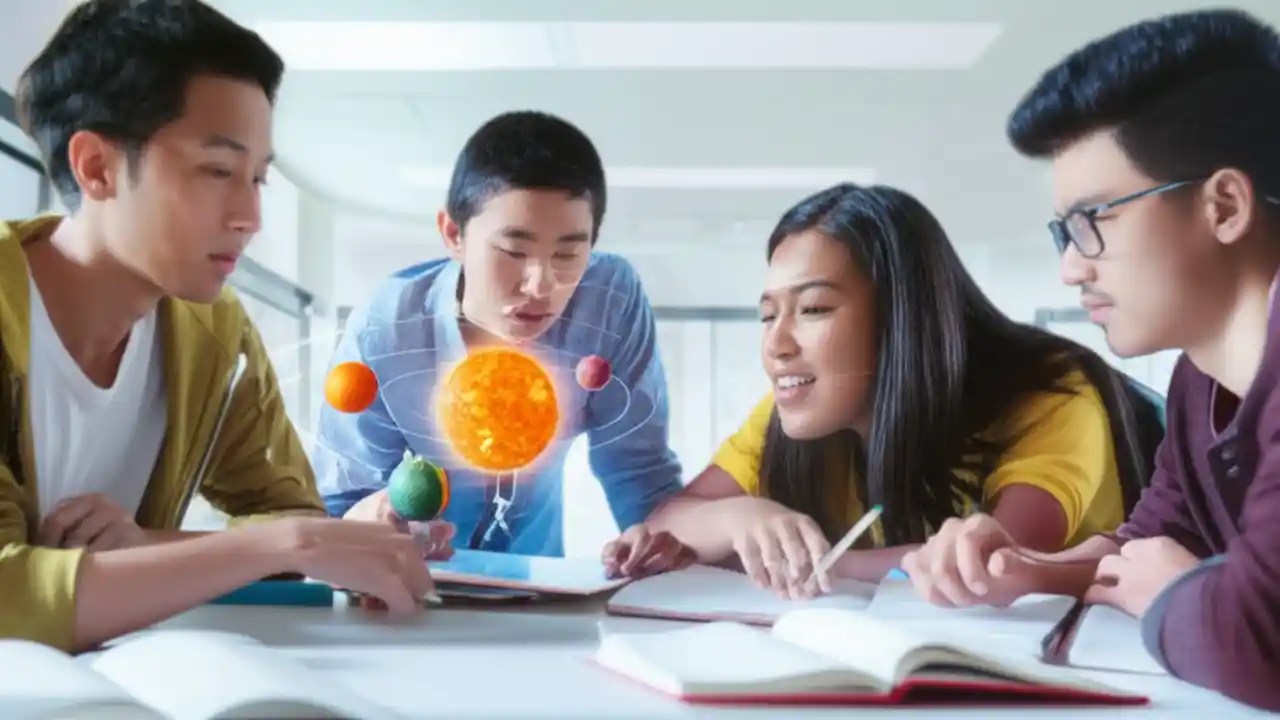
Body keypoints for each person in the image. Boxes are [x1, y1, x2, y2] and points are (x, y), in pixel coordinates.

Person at [0, 0, 436, 652]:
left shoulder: (217, 334)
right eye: (218, 171)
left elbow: (285, 516)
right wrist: (293, 543)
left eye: (258, 178)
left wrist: (154, 546)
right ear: (96, 167)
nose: (250, 216)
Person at [898, 8, 1280, 711]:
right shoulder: (1200, 379)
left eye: (1093, 222)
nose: (1072, 269)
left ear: (1224, 205)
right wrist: (1030, 569)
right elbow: (1154, 542)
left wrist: (1173, 592)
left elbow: (1260, 642)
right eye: (1063, 234)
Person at [603, 182, 1165, 590]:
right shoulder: (791, 412)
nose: (777, 344)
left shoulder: (1049, 396)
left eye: (814, 308)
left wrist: (810, 562)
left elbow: (993, 561)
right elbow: (665, 526)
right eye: (767, 314)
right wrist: (740, 519)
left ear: (902, 319)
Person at [315, 110, 684, 560]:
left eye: (568, 254)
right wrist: (368, 521)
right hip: (411, 589)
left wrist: (657, 547)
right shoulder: (386, 329)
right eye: (513, 251)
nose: (539, 285)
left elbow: (640, 469)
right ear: (454, 234)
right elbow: (341, 502)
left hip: (539, 587)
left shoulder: (608, 301)